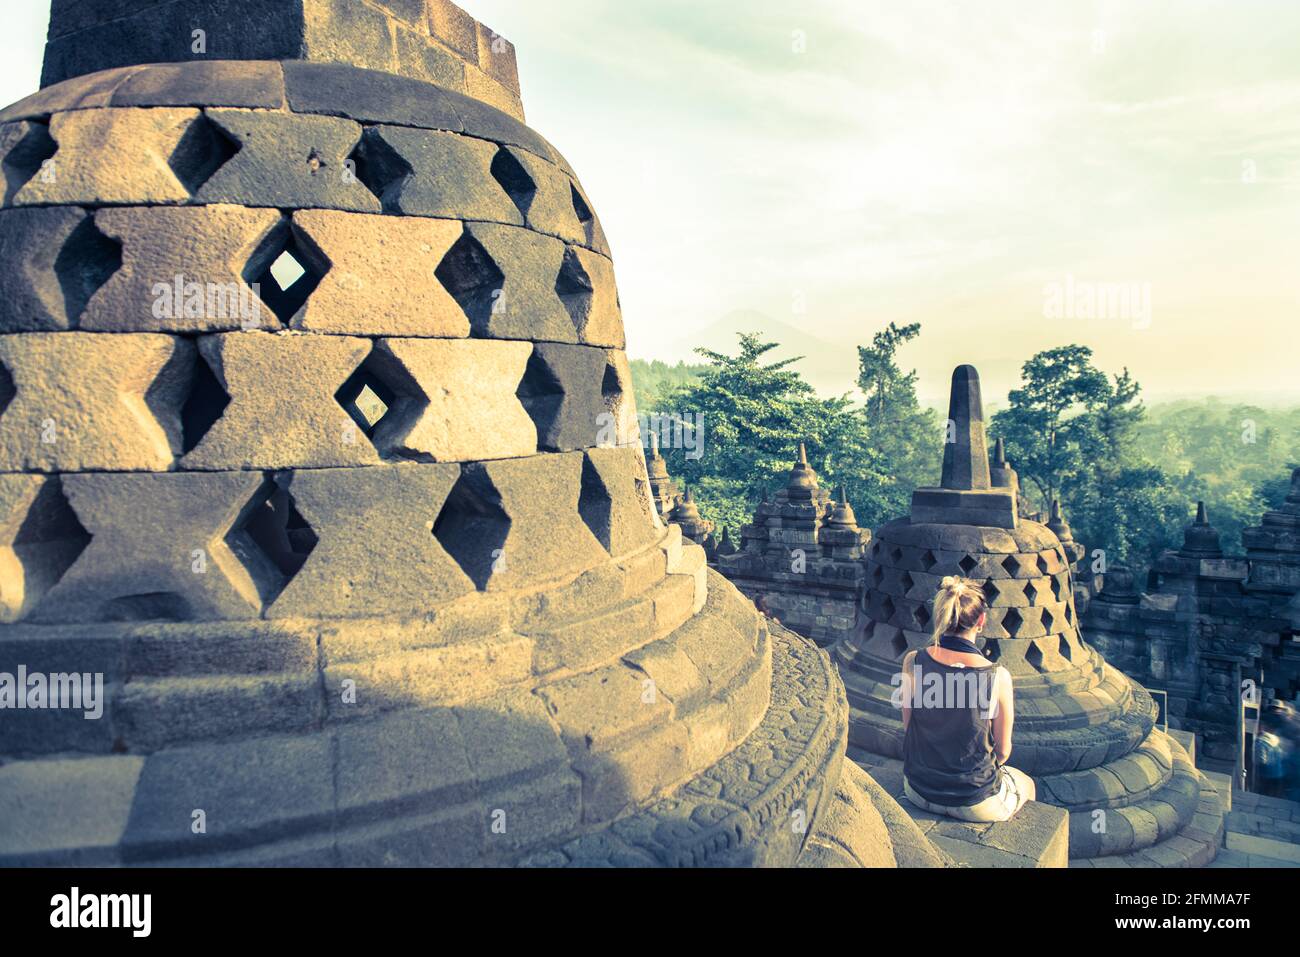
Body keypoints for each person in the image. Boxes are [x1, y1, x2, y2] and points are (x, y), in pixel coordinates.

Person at [897, 576, 1036, 822]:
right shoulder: (997, 676)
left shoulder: (913, 661)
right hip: (976, 801)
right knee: (1026, 783)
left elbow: (909, 729)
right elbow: (1003, 750)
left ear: (941, 616)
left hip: (918, 790)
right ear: (981, 620)